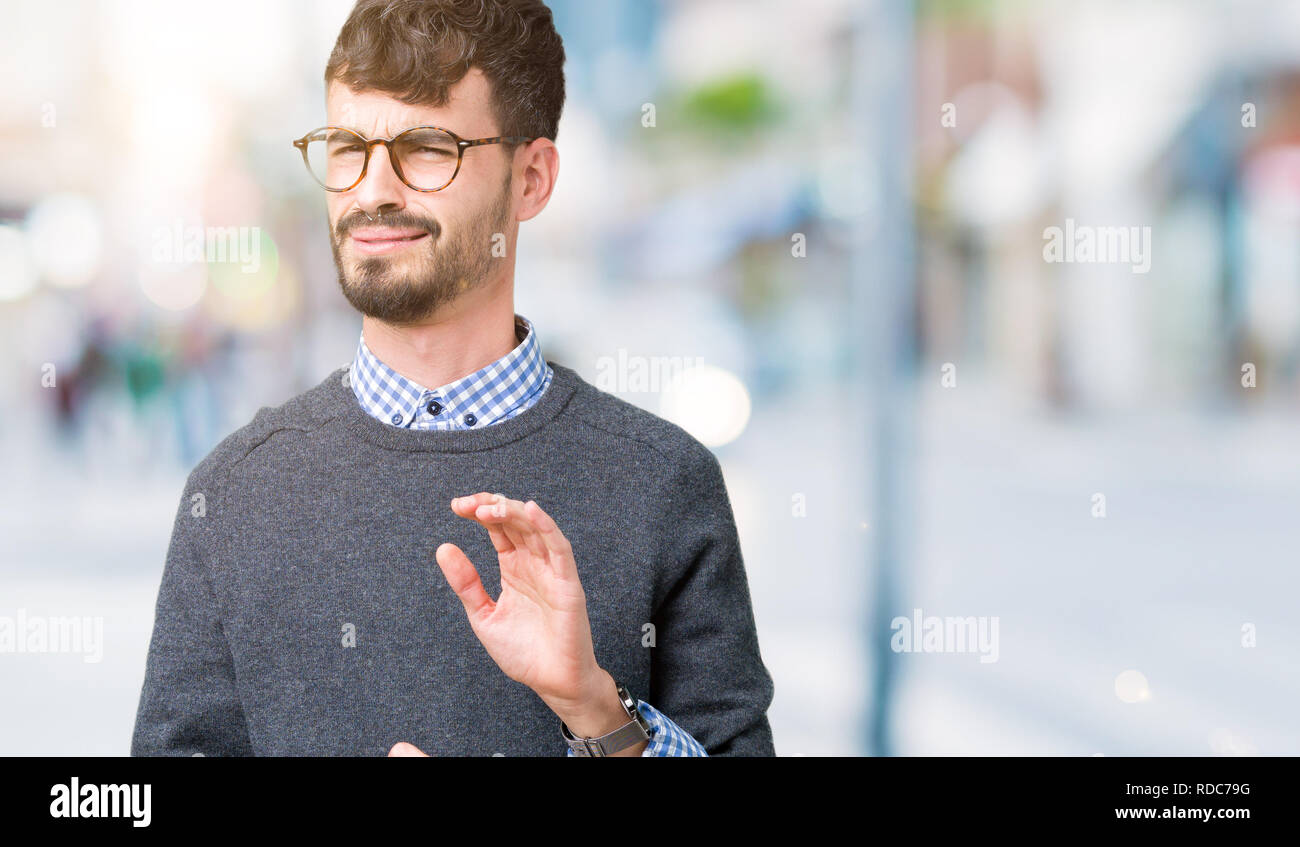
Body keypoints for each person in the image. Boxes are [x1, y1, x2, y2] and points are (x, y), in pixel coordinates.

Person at [131, 0, 775, 757]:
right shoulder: (233, 494)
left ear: (530, 178)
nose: (373, 189)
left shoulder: (667, 482)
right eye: (347, 146)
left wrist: (598, 712)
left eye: (427, 146)